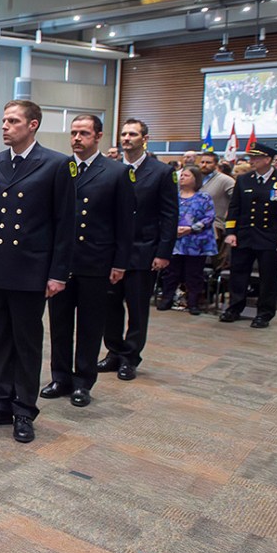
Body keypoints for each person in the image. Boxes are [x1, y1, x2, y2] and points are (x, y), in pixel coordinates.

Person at [0, 101, 75, 443]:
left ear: (33, 125)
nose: (5, 126)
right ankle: (0, 402)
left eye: (13, 121)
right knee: (0, 341)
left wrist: (58, 273)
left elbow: (64, 224)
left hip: (32, 269)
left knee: (27, 342)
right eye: (4, 121)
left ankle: (24, 408)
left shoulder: (56, 164)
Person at [43, 114, 133, 408]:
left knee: (90, 325)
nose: (77, 138)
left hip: (96, 261)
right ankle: (60, 377)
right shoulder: (59, 167)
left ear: (98, 136)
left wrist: (120, 262)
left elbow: (124, 222)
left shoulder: (116, 172)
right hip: (61, 263)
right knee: (59, 322)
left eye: (83, 133)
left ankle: (83, 380)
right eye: (73, 133)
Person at [98, 119, 176, 381]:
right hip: (113, 251)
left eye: (133, 134)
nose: (127, 138)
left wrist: (163, 252)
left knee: (137, 307)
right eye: (123, 134)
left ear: (145, 139)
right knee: (110, 305)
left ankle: (130, 357)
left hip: (144, 250)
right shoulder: (112, 169)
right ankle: (113, 351)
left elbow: (169, 215)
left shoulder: (160, 172)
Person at [220, 142, 277, 328]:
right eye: (251, 157)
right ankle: (234, 308)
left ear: (267, 160)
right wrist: (231, 232)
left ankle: (264, 313)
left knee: (268, 278)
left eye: (256, 158)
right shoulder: (244, 179)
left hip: (270, 237)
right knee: (238, 275)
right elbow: (235, 208)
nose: (252, 161)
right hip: (245, 235)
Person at [158, 167, 217, 313]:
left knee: (194, 274)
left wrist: (191, 228)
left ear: (195, 179)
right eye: (181, 175)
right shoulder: (173, 196)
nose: (182, 178)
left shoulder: (203, 197)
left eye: (186, 175)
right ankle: (167, 298)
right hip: (175, 241)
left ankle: (193, 302)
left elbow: (209, 217)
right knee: (171, 272)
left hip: (196, 242)